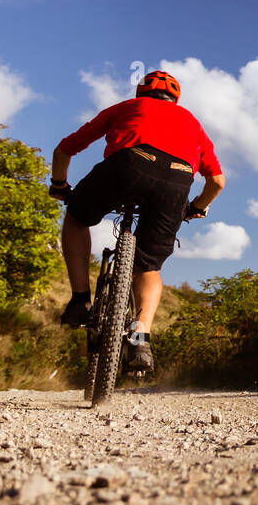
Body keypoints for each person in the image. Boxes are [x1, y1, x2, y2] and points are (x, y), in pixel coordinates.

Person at [48, 69, 224, 374]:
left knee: (77, 218)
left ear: (141, 93)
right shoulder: (193, 123)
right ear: (175, 99)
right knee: (149, 266)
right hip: (178, 181)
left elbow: (64, 149)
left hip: (129, 165)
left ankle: (79, 300)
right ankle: (141, 337)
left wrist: (59, 184)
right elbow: (217, 181)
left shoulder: (126, 108)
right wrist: (196, 207)